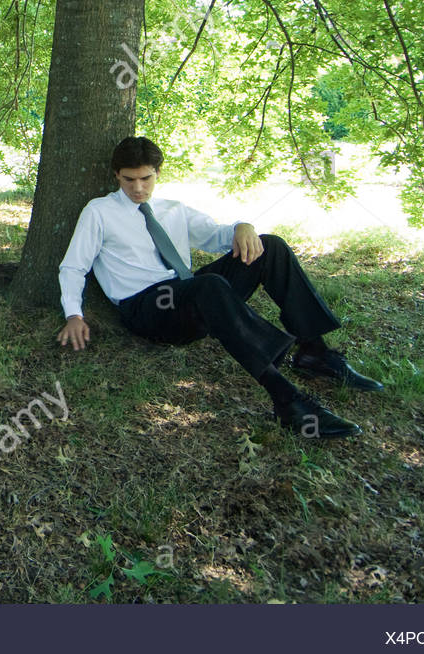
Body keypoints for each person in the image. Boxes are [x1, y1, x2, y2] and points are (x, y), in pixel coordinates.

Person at [55, 136, 382, 438]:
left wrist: (243, 226)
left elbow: (216, 235)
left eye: (146, 178)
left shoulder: (173, 209)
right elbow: (74, 266)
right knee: (207, 286)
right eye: (129, 179)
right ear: (117, 175)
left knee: (270, 247)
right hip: (147, 308)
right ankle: (288, 401)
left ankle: (315, 352)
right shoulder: (99, 212)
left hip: (189, 294)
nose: (138, 188)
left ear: (157, 173)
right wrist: (74, 314)